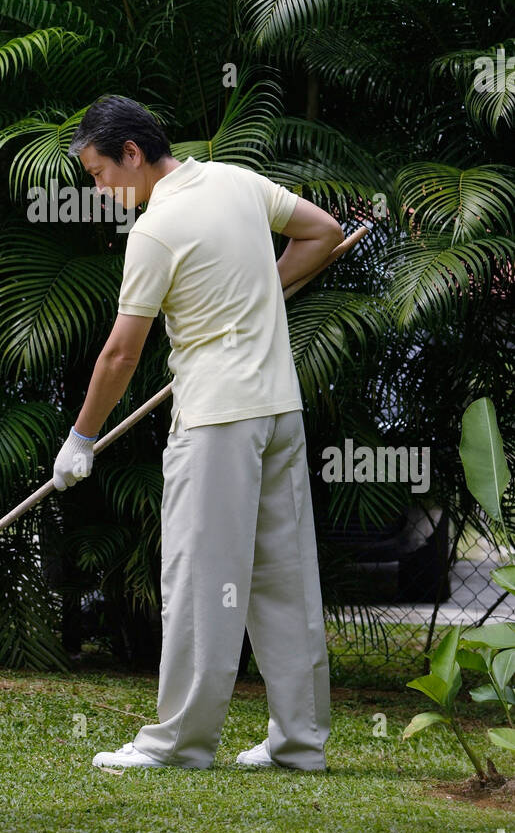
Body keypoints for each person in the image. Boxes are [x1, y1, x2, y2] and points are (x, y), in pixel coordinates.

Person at [50, 94, 342, 771]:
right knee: (282, 579)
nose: (98, 189)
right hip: (278, 411)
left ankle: (179, 743)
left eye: (98, 173)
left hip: (216, 421)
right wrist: (262, 292)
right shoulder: (236, 181)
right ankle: (298, 744)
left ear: (131, 153)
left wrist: (80, 438)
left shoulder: (158, 229)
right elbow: (323, 230)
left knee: (200, 580)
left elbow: (120, 354)